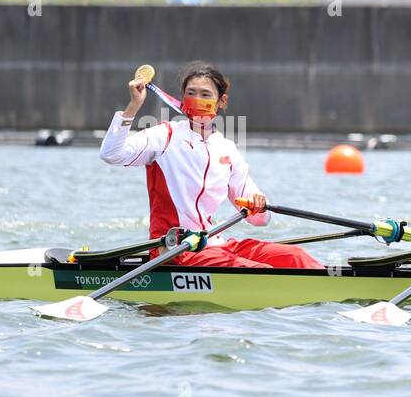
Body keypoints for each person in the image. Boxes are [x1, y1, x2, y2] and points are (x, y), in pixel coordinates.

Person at [98, 61, 323, 269]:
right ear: (183, 99)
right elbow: (111, 154)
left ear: (221, 101)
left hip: (215, 244)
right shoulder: (164, 136)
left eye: (205, 94)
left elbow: (260, 220)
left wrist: (259, 203)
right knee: (260, 271)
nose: (197, 100)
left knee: (296, 257)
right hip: (175, 249)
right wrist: (134, 106)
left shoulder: (226, 149)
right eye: (190, 94)